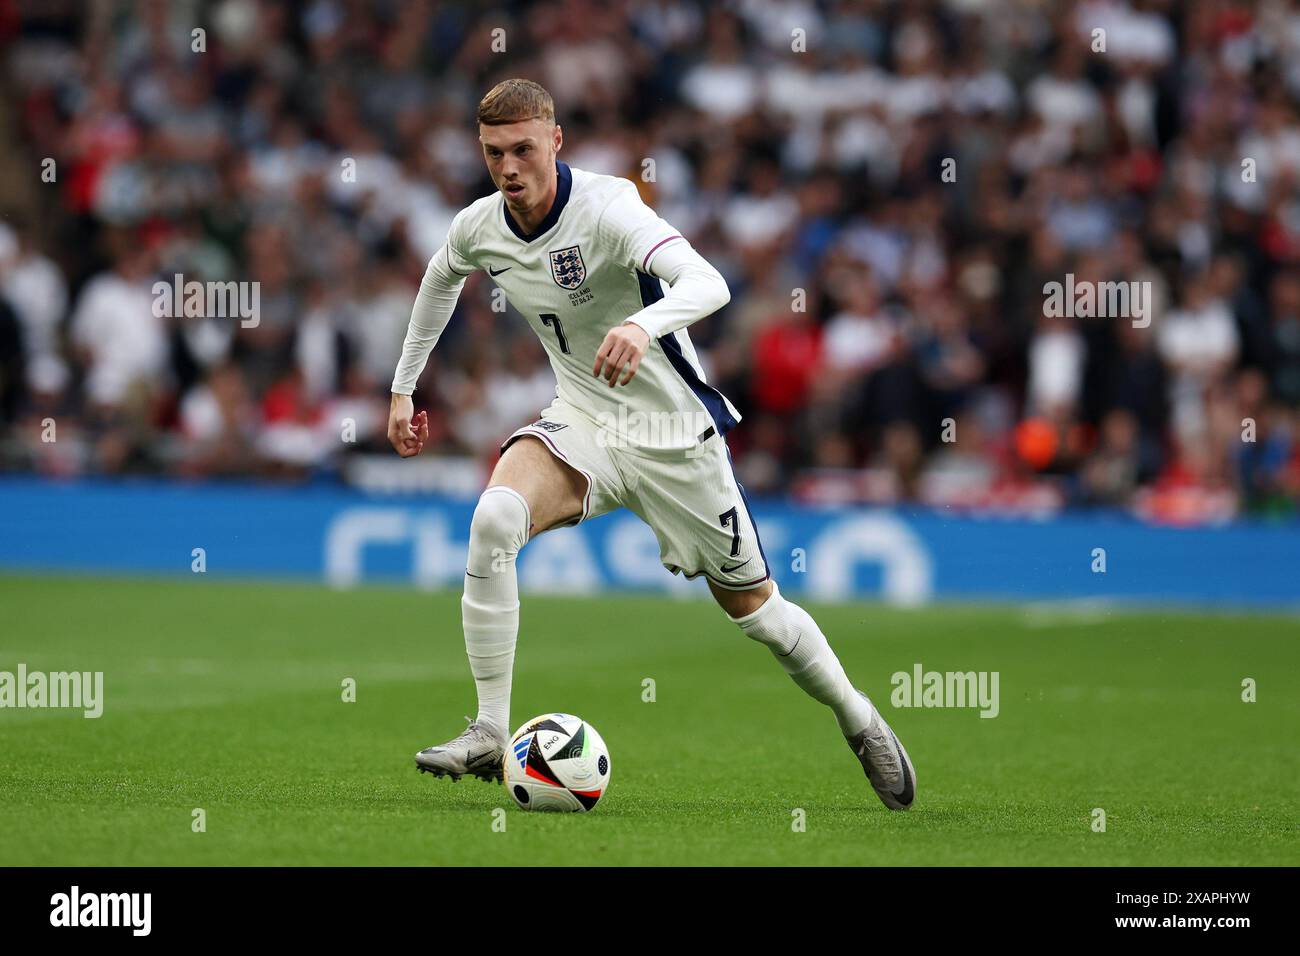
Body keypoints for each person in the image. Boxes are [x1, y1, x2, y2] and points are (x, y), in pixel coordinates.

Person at [388, 79, 914, 810]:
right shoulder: (482, 226)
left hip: (672, 438)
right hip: (583, 421)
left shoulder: (608, 208)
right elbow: (441, 278)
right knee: (493, 521)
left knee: (759, 612)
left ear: (556, 141)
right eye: (494, 153)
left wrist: (644, 325)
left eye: (523, 150)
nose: (509, 168)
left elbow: (710, 282)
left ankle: (858, 718)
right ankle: (487, 729)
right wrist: (403, 388)